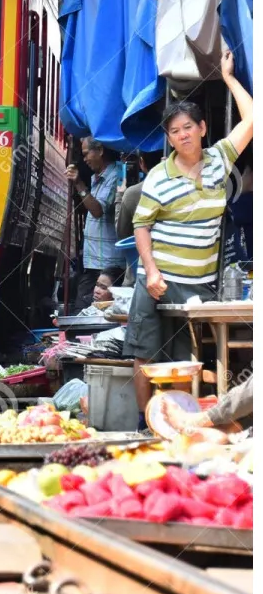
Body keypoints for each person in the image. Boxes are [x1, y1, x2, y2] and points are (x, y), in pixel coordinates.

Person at [127, 48, 254, 419]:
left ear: (202, 129)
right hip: (158, 280)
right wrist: (151, 271)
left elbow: (253, 118)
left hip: (197, 288)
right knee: (145, 352)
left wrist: (229, 78)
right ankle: (144, 424)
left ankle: (177, 425)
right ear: (168, 139)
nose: (182, 135)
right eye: (174, 131)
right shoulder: (158, 178)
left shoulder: (220, 159)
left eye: (188, 128)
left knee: (184, 361)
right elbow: (141, 225)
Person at [67, 138, 124, 311]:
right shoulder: (96, 178)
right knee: (87, 310)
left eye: (86, 154)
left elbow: (97, 210)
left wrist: (78, 184)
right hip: (95, 262)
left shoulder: (115, 175)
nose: (84, 159)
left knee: (87, 311)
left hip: (105, 264)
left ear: (99, 150)